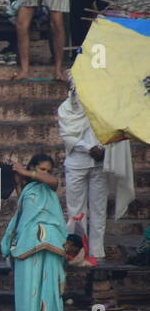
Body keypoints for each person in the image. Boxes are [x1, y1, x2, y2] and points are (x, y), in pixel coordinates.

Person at [1, 152, 66, 311]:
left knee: (48, 286)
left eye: (48, 170)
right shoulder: (23, 184)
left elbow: (53, 181)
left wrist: (28, 172)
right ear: (32, 167)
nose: (45, 173)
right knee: (28, 286)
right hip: (27, 242)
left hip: (51, 240)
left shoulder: (50, 185)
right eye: (41, 169)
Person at [57, 87, 113, 264]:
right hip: (76, 163)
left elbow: (112, 130)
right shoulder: (65, 108)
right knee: (76, 211)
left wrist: (103, 150)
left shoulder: (102, 105)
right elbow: (67, 136)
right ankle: (78, 251)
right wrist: (89, 148)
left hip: (100, 162)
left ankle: (97, 252)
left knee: (99, 209)